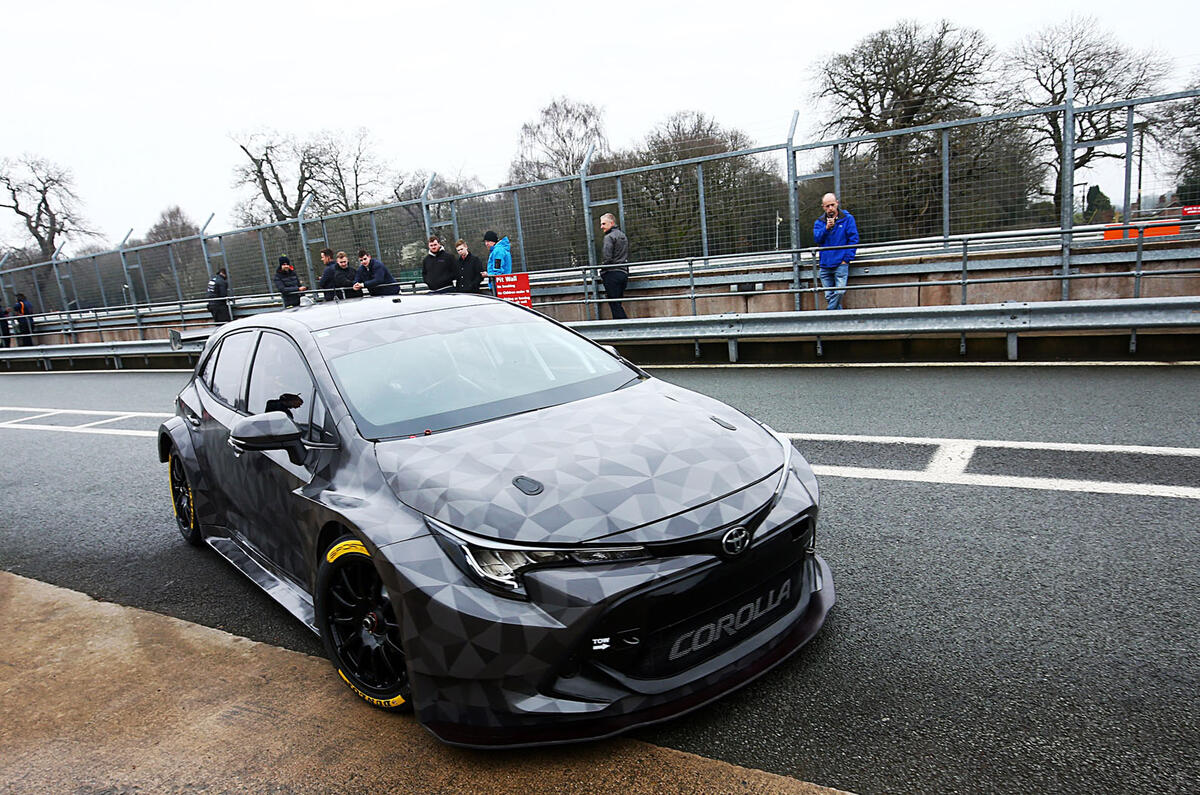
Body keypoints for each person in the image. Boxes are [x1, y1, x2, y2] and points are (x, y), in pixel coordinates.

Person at [812, 193, 859, 311]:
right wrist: (826, 229)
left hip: (840, 263)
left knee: (839, 292)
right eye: (827, 206)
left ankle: (828, 316)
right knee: (829, 296)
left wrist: (846, 259)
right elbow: (817, 238)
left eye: (832, 205)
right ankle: (839, 323)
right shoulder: (819, 222)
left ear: (837, 203)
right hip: (825, 264)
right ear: (823, 207)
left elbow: (853, 239)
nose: (830, 208)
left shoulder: (847, 219)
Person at [599, 212, 629, 320]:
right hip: (623, 273)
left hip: (612, 273)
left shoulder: (609, 237)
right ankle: (623, 327)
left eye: (603, 224)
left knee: (614, 303)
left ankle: (625, 326)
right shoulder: (622, 235)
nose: (601, 226)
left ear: (611, 223)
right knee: (618, 302)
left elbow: (607, 257)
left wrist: (603, 271)